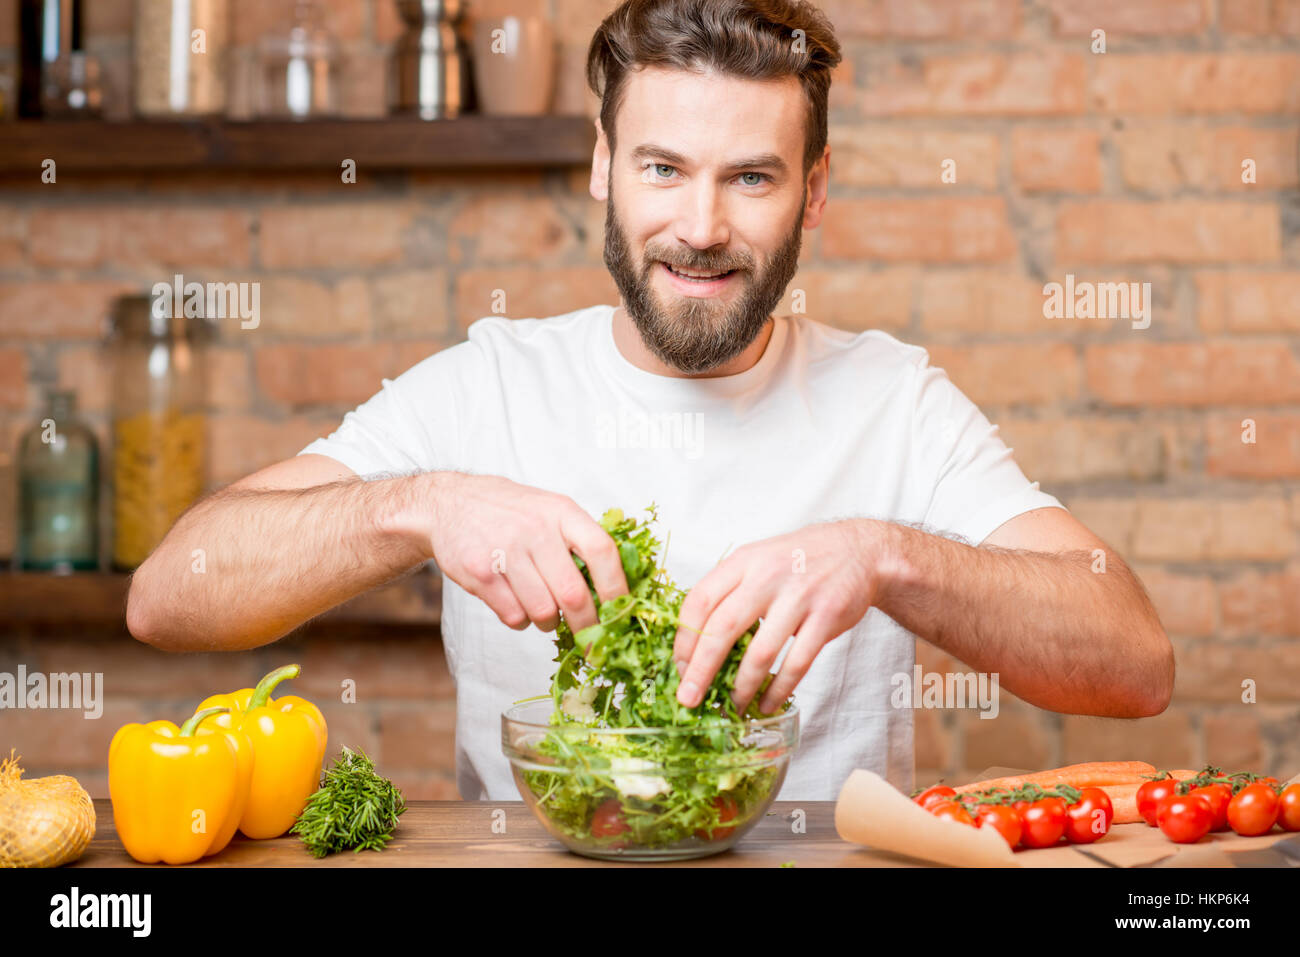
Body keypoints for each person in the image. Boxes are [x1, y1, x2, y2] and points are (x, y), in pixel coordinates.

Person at [127, 0, 1174, 802]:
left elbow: (1134, 662)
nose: (702, 225)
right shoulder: (487, 383)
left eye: (752, 179)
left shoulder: (892, 401)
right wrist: (418, 505)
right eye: (664, 168)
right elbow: (170, 594)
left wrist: (885, 555)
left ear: (813, 189)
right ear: (603, 167)